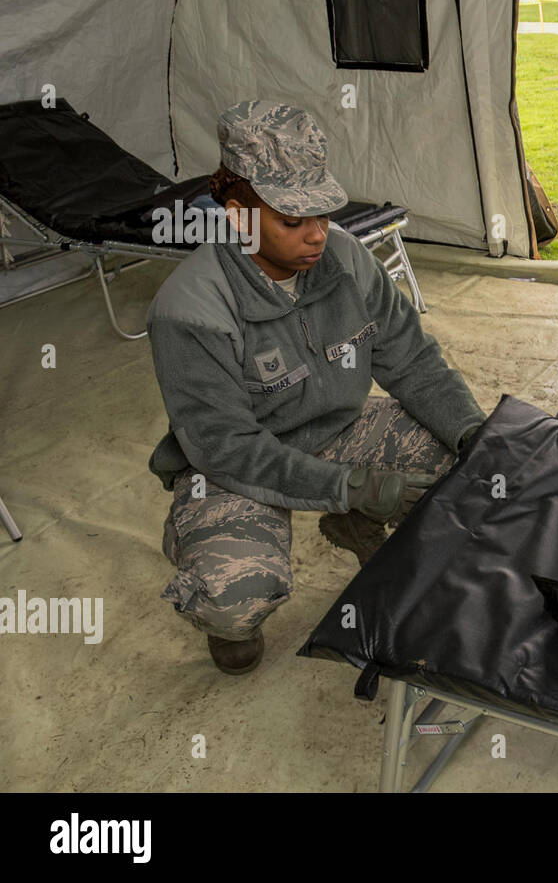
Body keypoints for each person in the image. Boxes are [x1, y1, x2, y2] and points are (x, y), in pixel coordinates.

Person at [146, 100, 486, 675]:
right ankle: (220, 596)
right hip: (233, 470)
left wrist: (475, 430)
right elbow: (227, 446)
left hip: (339, 429)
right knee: (237, 594)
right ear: (238, 215)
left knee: (463, 467)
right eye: (293, 220)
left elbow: (414, 362)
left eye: (323, 215)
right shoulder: (191, 309)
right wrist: (355, 484)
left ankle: (353, 519)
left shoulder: (347, 259)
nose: (317, 236)